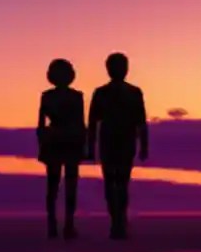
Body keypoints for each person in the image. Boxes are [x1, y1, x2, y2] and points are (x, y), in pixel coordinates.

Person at [86, 53, 148, 239]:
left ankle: (119, 219)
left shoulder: (133, 92)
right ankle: (117, 219)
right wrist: (90, 146)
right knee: (115, 182)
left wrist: (144, 145)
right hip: (112, 142)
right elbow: (92, 122)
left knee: (119, 182)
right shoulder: (103, 93)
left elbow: (141, 121)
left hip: (123, 142)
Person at [38, 59, 85, 239]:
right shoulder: (75, 96)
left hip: (60, 141)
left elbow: (41, 125)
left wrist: (42, 141)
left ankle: (60, 224)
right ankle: (64, 224)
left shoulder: (48, 96)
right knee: (63, 185)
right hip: (67, 141)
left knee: (55, 185)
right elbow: (80, 123)